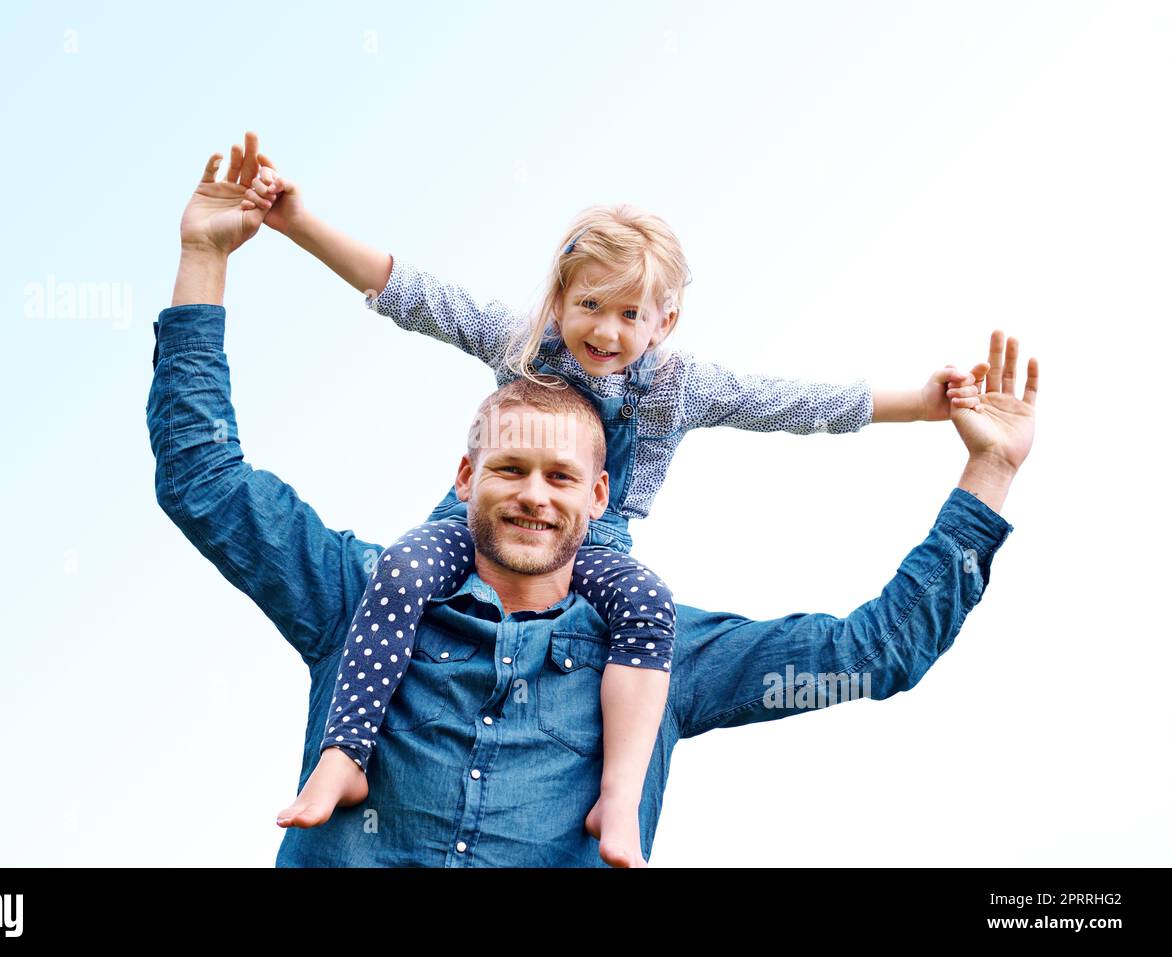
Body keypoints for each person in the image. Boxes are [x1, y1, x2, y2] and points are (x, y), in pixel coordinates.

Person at [148, 133, 1038, 867]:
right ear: (465, 478)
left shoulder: (655, 653)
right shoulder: (367, 594)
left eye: (563, 476)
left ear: (601, 488)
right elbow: (206, 477)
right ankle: (343, 759)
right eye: (509, 469)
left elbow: (870, 649)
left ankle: (614, 803)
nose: (534, 494)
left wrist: (982, 465)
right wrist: (205, 258)